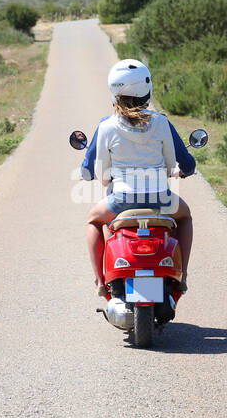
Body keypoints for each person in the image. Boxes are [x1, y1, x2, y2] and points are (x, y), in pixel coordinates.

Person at [80, 59, 196, 298]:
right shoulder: (162, 122)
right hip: (161, 201)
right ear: (147, 88)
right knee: (185, 217)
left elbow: (100, 174)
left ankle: (100, 281)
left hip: (120, 201)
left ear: (114, 92)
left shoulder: (106, 126)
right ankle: (182, 275)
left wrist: (104, 178)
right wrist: (173, 171)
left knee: (93, 221)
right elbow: (176, 162)